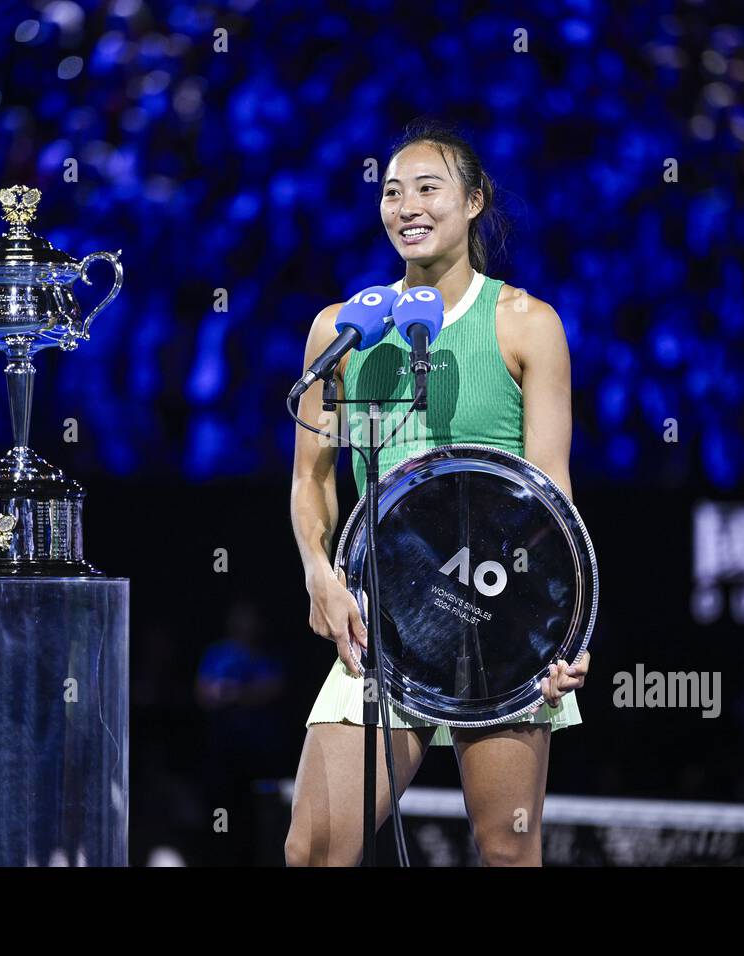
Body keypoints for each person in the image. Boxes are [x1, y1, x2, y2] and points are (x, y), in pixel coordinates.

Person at [285, 122, 589, 866]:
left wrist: (566, 634)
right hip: (385, 626)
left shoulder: (528, 324)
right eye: (392, 191)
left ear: (475, 202)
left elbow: (554, 499)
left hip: (500, 623)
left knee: (508, 854)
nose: (405, 206)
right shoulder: (343, 330)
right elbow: (310, 481)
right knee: (315, 848)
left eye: (428, 188)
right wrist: (319, 574)